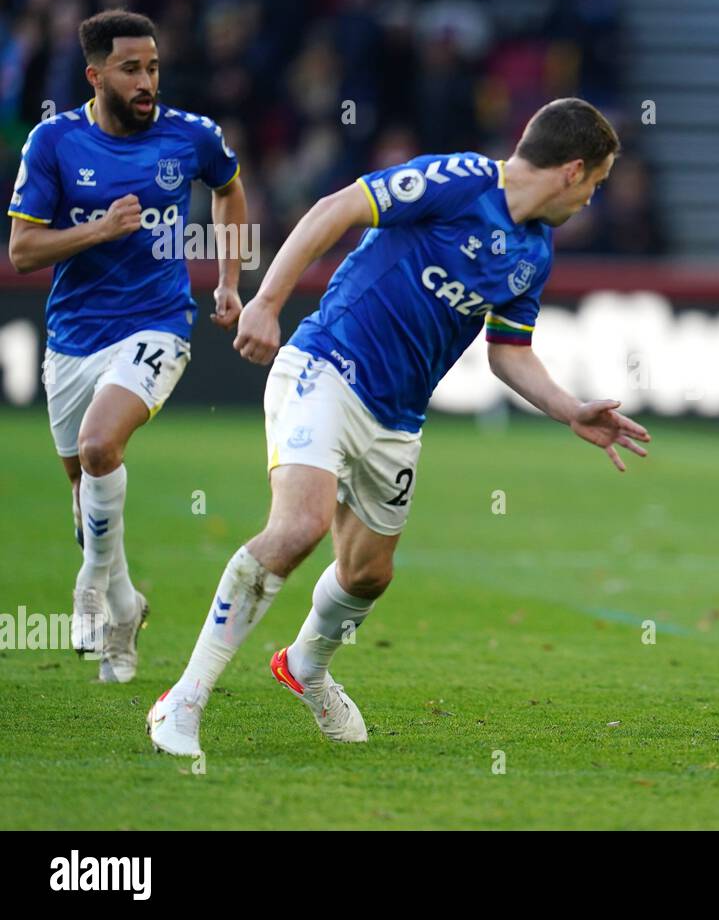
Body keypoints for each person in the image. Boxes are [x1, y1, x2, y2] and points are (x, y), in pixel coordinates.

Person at [148, 97, 650, 757]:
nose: (593, 199)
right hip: (325, 367)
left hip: (396, 419)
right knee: (298, 527)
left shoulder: (534, 251)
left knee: (368, 576)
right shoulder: (460, 181)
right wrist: (267, 301)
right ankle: (183, 699)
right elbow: (337, 208)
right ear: (571, 170)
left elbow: (508, 351)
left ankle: (305, 667)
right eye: (596, 183)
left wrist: (568, 408)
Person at [7, 9, 246, 682]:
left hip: (158, 323)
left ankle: (89, 589)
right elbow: (23, 251)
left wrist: (230, 280)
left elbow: (229, 189)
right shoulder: (53, 143)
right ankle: (124, 604)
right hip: (73, 338)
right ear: (95, 75)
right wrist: (100, 232)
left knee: (99, 446)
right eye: (132, 70)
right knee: (86, 496)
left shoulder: (189, 136)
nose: (148, 82)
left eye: (154, 67)